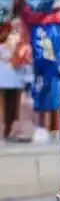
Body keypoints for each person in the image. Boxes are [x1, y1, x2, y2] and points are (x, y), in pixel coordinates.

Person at [23, 0, 60, 144]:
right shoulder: (33, 14)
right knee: (42, 86)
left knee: (56, 86)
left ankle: (55, 128)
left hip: (56, 53)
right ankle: (42, 127)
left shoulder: (58, 18)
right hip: (41, 53)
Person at [0, 8, 29, 142]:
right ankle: (7, 129)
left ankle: (12, 129)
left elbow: (22, 55)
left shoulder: (18, 36)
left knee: (13, 104)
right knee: (8, 104)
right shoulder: (10, 37)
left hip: (14, 76)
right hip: (7, 76)